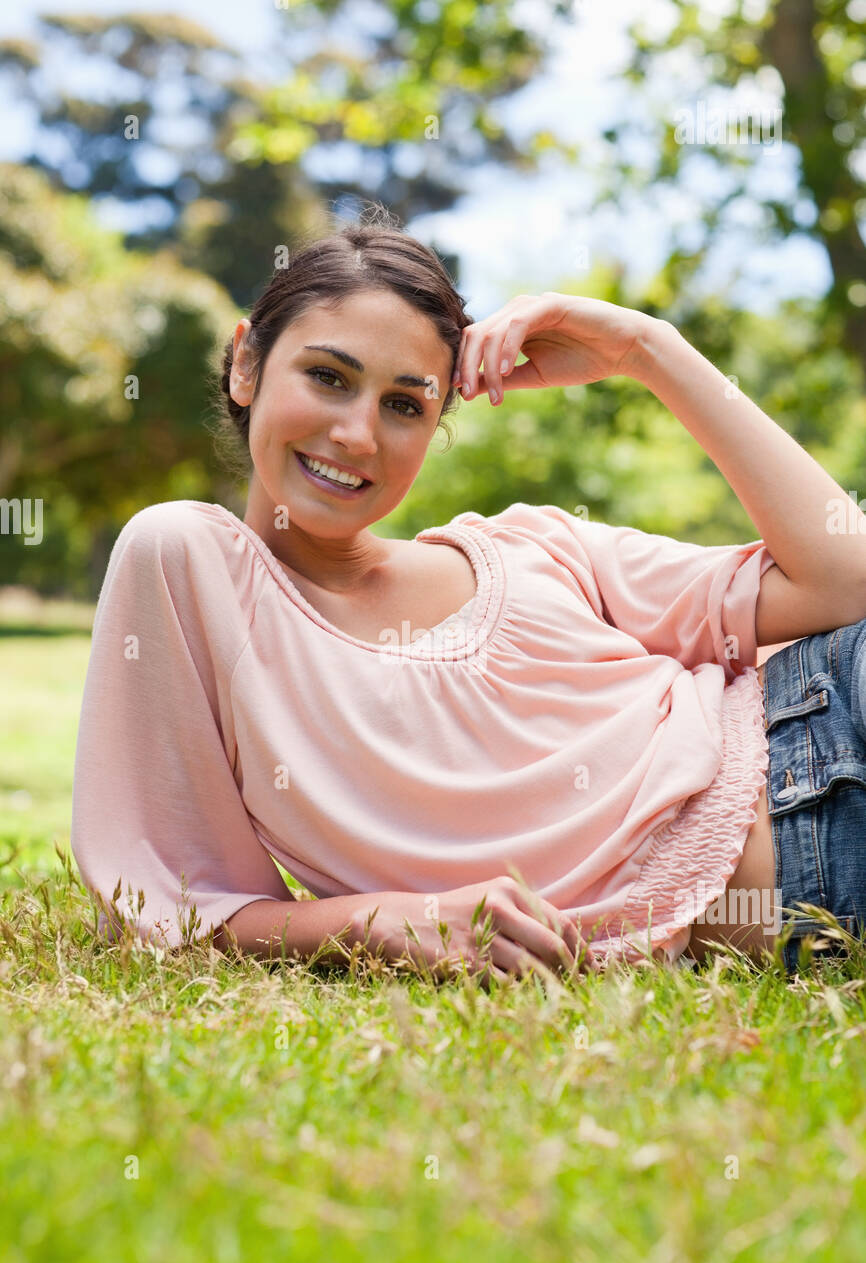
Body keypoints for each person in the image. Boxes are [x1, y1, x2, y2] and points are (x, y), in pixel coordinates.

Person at [70, 207, 866, 987]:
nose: (356, 433)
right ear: (247, 364)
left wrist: (644, 348)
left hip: (825, 710)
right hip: (815, 872)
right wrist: (380, 922)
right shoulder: (187, 558)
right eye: (327, 376)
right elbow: (167, 906)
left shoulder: (533, 547)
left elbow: (845, 578)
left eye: (404, 404)